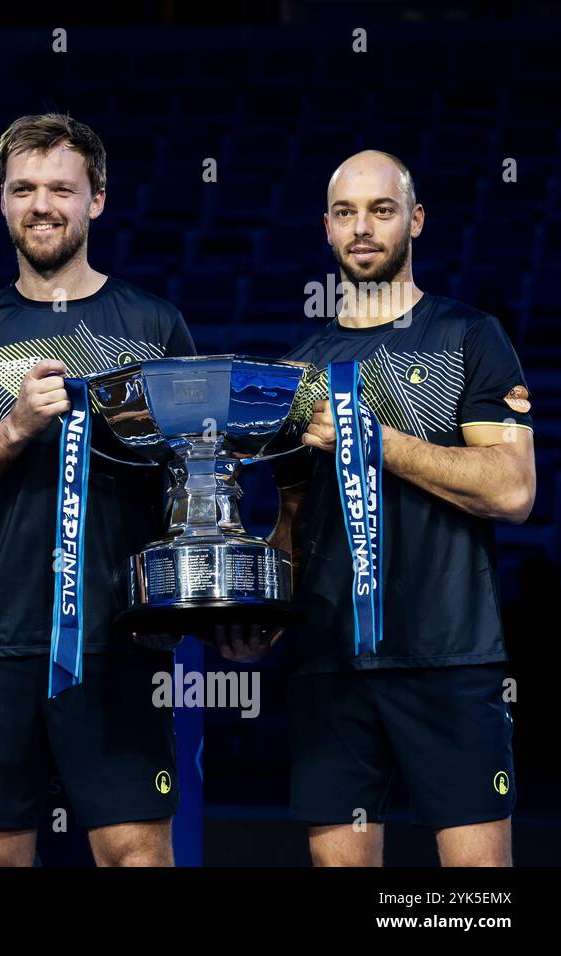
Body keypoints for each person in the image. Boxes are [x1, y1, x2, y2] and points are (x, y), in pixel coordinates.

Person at [0, 113, 195, 866]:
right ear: (3, 202)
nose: (42, 205)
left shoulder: (155, 327)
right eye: (25, 189)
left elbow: (194, 483)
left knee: (138, 854)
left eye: (62, 189)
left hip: (119, 639)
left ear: (96, 200)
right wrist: (9, 430)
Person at [270, 149, 535, 867]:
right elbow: (292, 521)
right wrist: (253, 612)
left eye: (382, 210)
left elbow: (512, 489)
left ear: (414, 220)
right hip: (331, 664)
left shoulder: (469, 337)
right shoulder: (298, 370)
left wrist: (376, 442)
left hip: (448, 656)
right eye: (347, 213)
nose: (363, 227)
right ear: (326, 228)